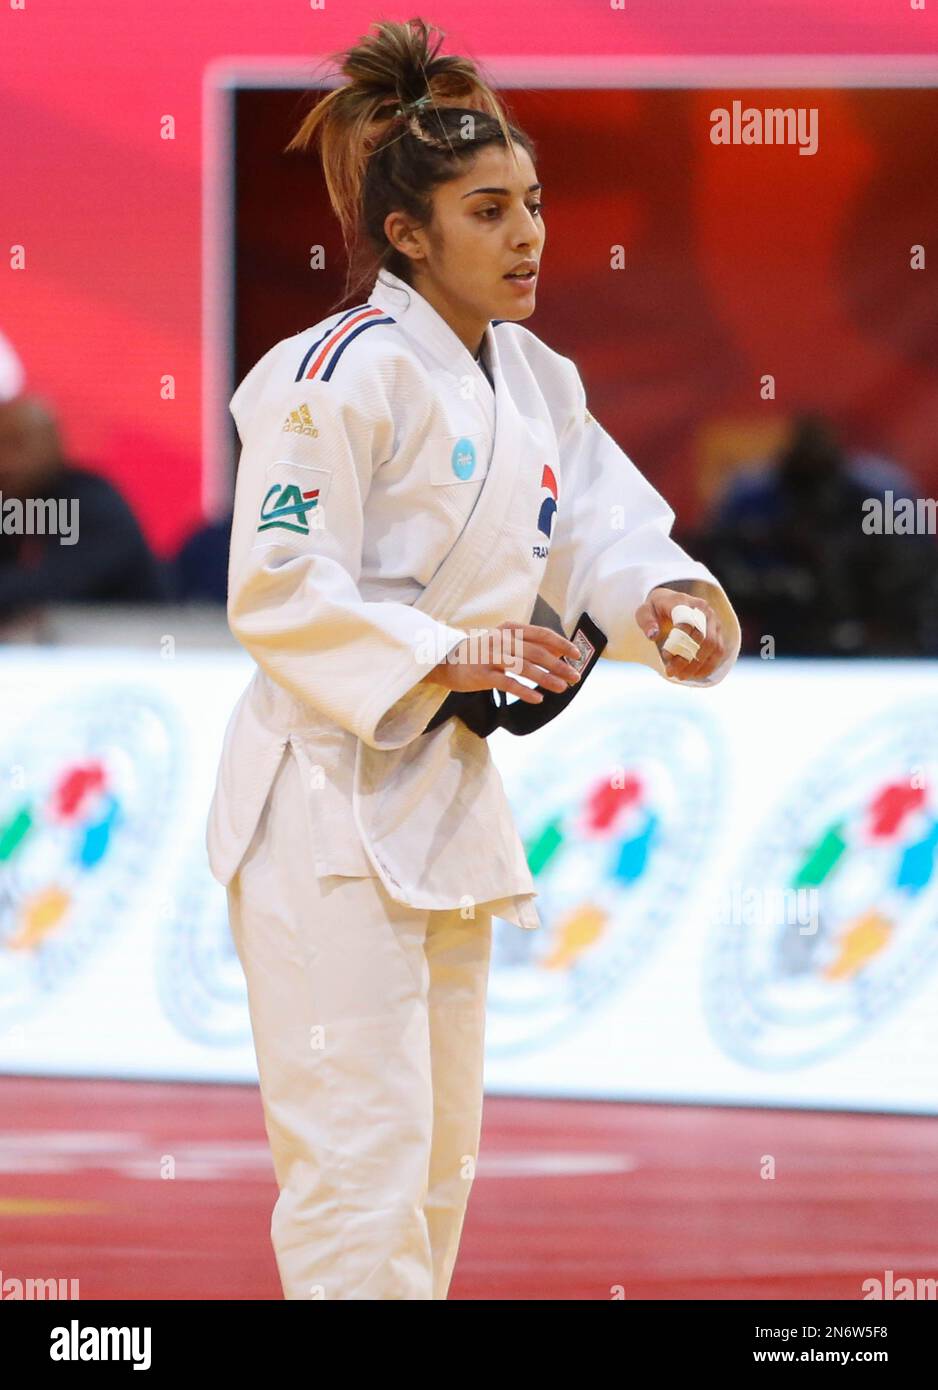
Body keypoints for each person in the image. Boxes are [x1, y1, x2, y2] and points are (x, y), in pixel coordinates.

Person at [205, 16, 742, 1301]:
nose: (528, 236)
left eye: (536, 205)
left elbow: (608, 528)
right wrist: (452, 652)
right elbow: (277, 587)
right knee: (359, 1166)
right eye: (488, 210)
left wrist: (674, 598)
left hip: (443, 805)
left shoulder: (535, 381)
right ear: (406, 233)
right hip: (321, 804)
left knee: (438, 1170)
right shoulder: (327, 373)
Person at [0, 394, 169, 624]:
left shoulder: (95, 505)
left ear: (53, 444)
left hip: (135, 650)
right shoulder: (15, 504)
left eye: (16, 444)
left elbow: (53, 588)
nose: (5, 461)